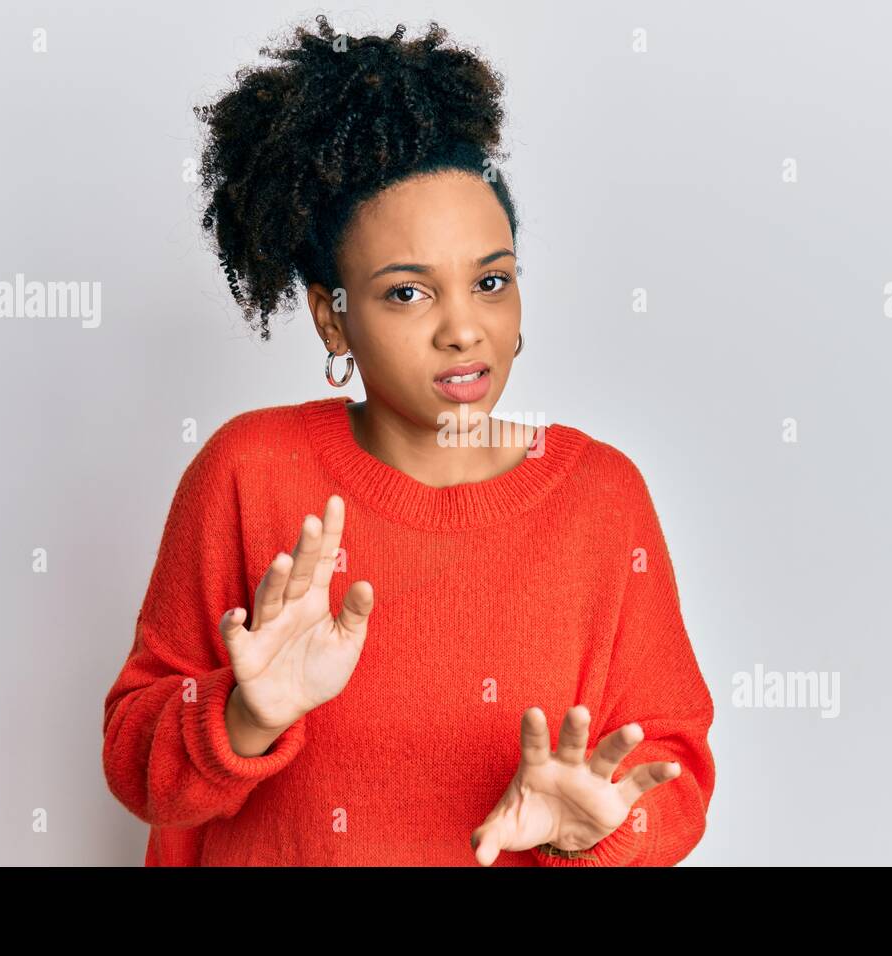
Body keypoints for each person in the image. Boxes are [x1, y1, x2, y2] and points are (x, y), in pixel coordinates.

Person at [101, 14, 716, 866]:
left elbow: (673, 772)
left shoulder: (601, 495)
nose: (465, 328)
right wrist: (244, 717)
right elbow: (137, 767)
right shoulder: (248, 472)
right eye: (406, 294)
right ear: (331, 315)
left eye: (491, 281)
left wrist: (601, 829)